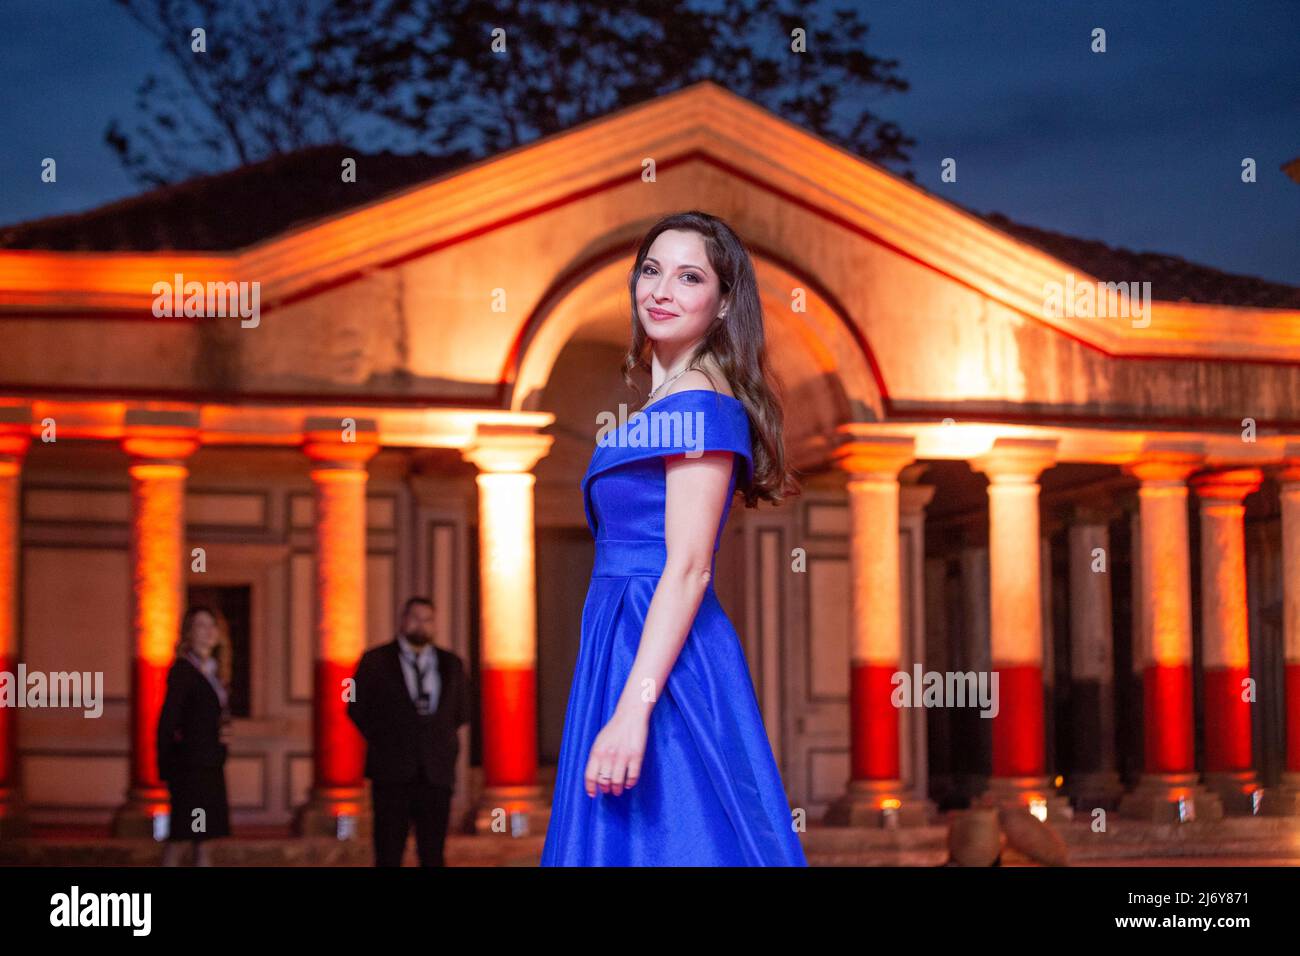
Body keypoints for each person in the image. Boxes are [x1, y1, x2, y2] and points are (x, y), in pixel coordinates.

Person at [541, 210, 808, 866]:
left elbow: (689, 567)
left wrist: (634, 709)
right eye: (652, 271)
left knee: (676, 837)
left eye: (690, 277)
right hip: (624, 635)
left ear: (724, 303)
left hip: (662, 651)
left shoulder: (701, 404)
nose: (661, 291)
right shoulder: (665, 402)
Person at [347, 597, 470, 866]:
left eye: (427, 619)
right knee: (388, 851)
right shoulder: (375, 661)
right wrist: (385, 739)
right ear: (403, 620)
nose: (421, 625)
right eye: (415, 618)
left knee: (433, 853)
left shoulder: (452, 664)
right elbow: (354, 704)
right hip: (391, 773)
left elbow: (462, 711)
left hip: (436, 774)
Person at [157, 606, 232, 866]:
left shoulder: (214, 673)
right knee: (181, 838)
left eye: (212, 625)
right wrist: (166, 765)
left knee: (204, 840)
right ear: (188, 633)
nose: (208, 632)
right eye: (201, 625)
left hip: (210, 764)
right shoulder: (183, 671)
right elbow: (168, 721)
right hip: (190, 767)